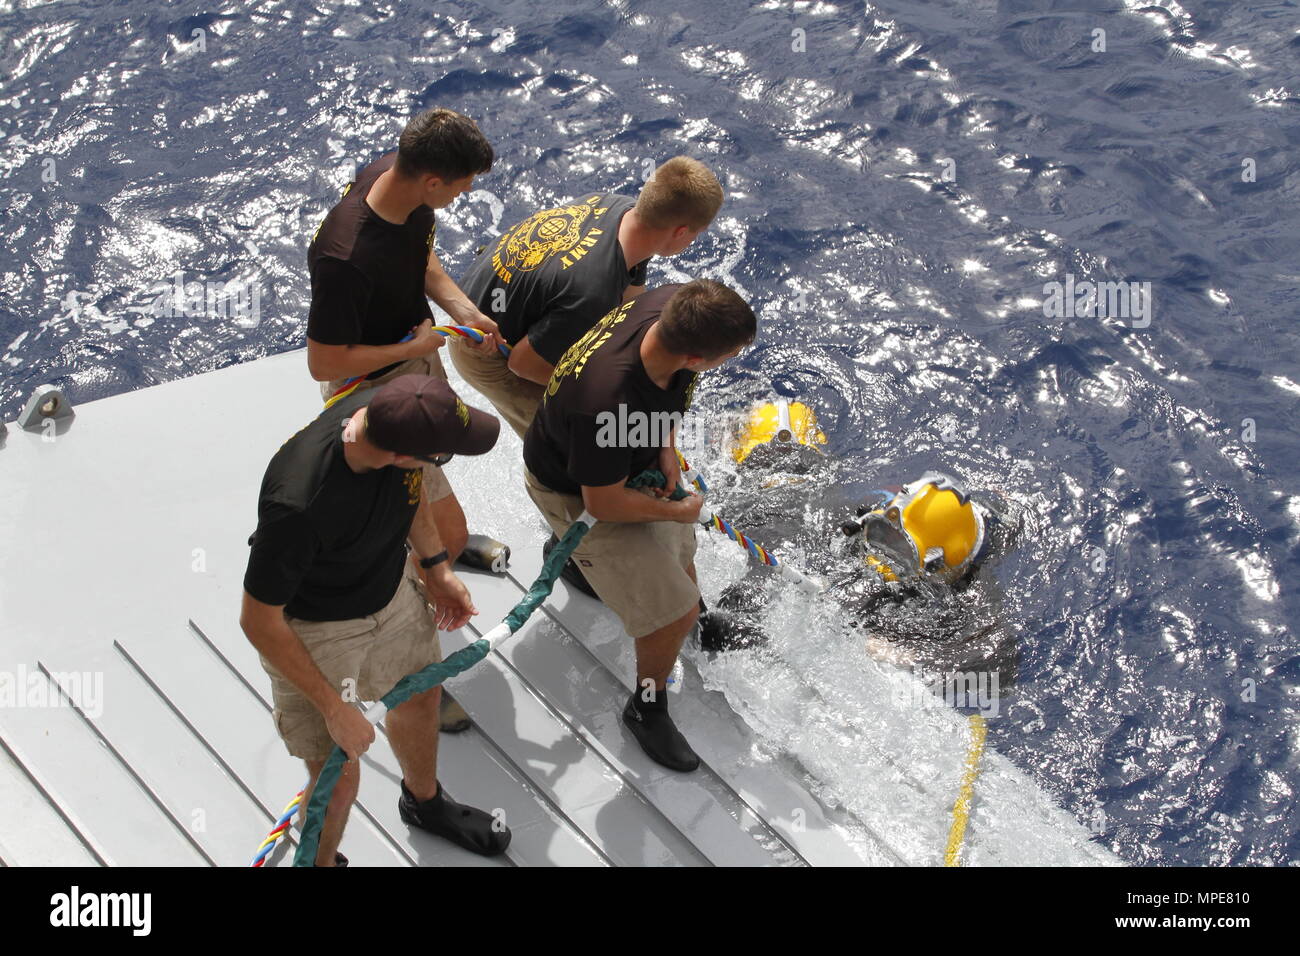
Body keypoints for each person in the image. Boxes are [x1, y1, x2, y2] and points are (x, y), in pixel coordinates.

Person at [240, 375, 511, 864]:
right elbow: (259, 622)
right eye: (440, 458)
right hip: (316, 632)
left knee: (420, 696)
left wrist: (435, 568)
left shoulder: (390, 411)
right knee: (337, 783)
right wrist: (333, 708)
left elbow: (411, 496)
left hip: (391, 594)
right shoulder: (298, 505)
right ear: (402, 455)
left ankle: (424, 804)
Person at [304, 107, 501, 732]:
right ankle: (420, 673)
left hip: (416, 358)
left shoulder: (401, 185)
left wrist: (465, 312)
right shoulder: (342, 254)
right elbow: (323, 361)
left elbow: (424, 263)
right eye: (462, 184)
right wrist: (410, 351)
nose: (465, 195)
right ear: (433, 181)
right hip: (372, 386)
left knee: (441, 508)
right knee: (416, 521)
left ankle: (440, 548)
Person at [522, 280, 756, 772]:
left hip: (622, 460)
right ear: (695, 357)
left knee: (680, 548)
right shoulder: (604, 400)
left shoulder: (667, 305)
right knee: (668, 610)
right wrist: (678, 509)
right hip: (578, 493)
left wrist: (665, 448)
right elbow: (603, 504)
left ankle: (694, 616)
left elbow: (661, 396)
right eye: (726, 356)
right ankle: (647, 705)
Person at [453, 157, 724, 439]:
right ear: (680, 232)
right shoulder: (592, 293)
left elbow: (629, 309)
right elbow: (523, 364)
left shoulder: (620, 209)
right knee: (588, 439)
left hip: (485, 302)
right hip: (484, 349)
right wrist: (613, 396)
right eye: (695, 235)